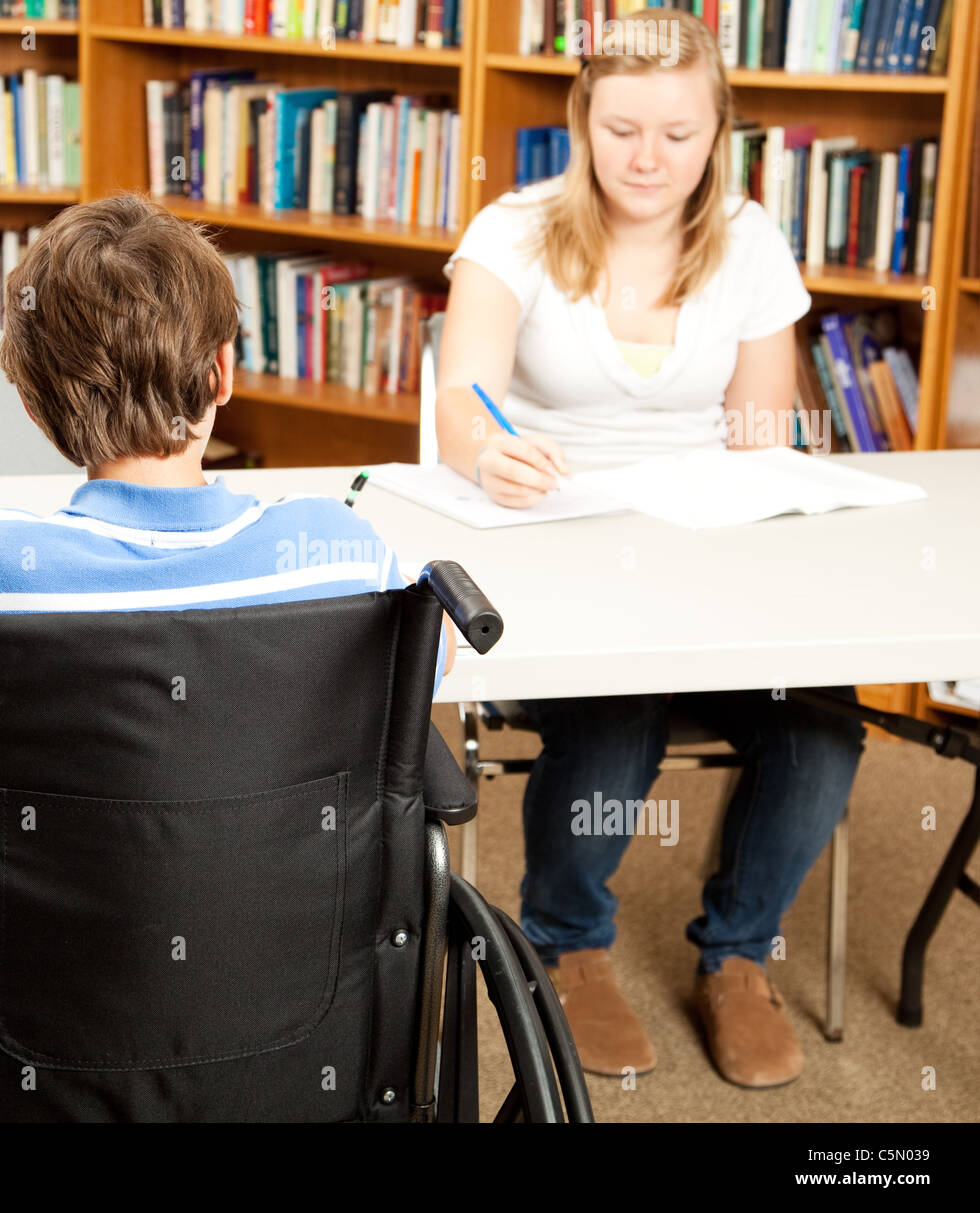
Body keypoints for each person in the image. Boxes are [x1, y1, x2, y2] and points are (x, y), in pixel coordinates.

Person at [435, 8, 864, 1088]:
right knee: (616, 712)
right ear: (583, 118)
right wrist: (489, 451)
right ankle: (567, 943)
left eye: (677, 134)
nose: (646, 159)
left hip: (705, 558)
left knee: (820, 728)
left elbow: (763, 435)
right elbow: (459, 402)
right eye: (621, 128)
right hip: (557, 551)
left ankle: (737, 955)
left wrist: (759, 508)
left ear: (718, 130)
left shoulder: (751, 240)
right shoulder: (513, 230)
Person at [0, 192, 453, 777]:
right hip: (318, 921)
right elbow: (436, 652)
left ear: (32, 406)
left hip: (31, 924)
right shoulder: (338, 550)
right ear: (224, 371)